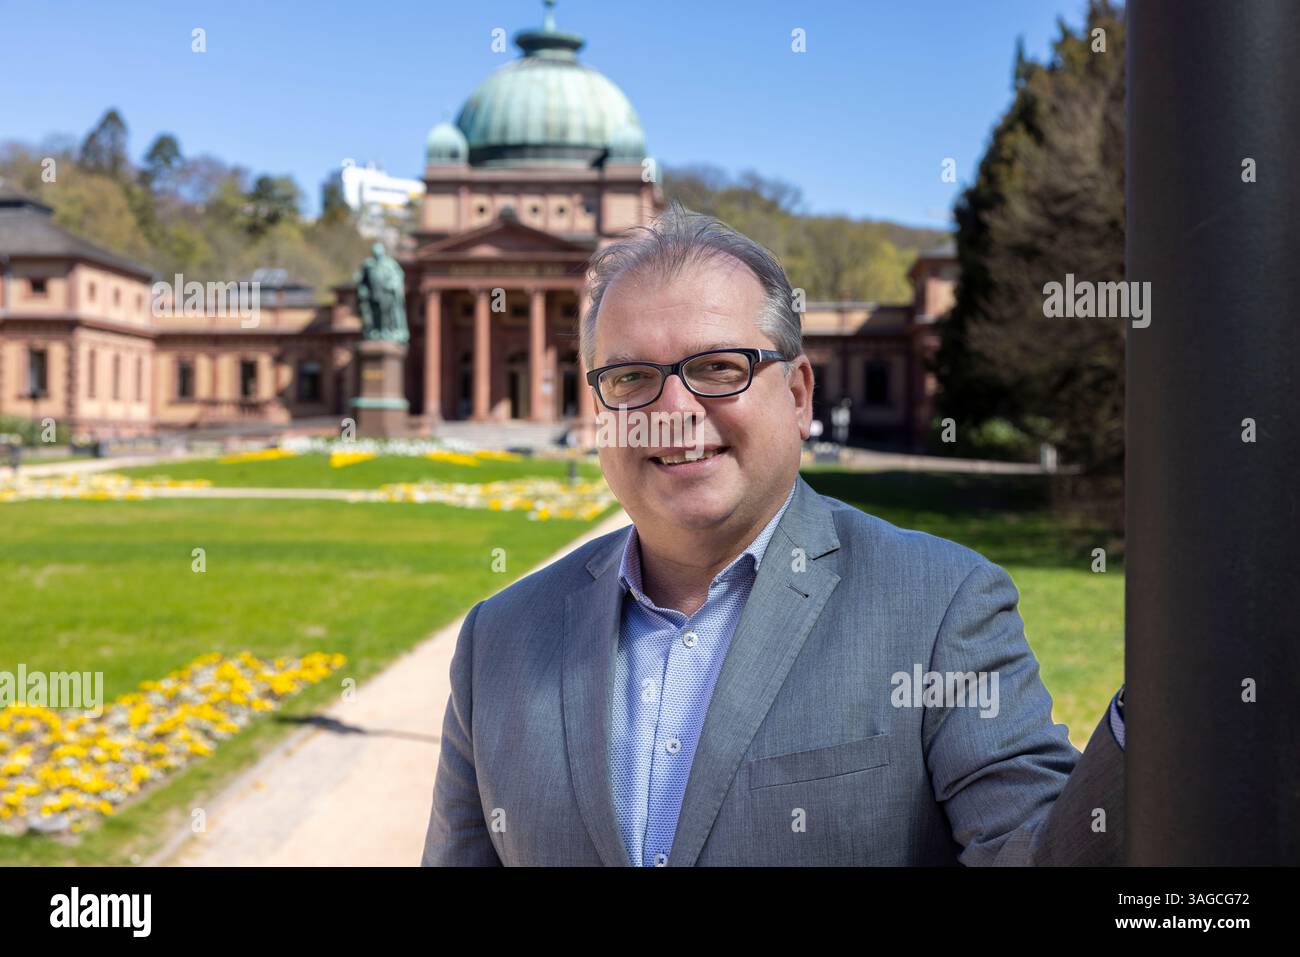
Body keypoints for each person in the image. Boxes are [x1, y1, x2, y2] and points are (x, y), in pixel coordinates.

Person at [421, 202, 1125, 866]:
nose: (673, 410)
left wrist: (1164, 700)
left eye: (717, 369)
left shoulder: (939, 606)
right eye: (632, 377)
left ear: (796, 396)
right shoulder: (498, 642)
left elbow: (1032, 852)